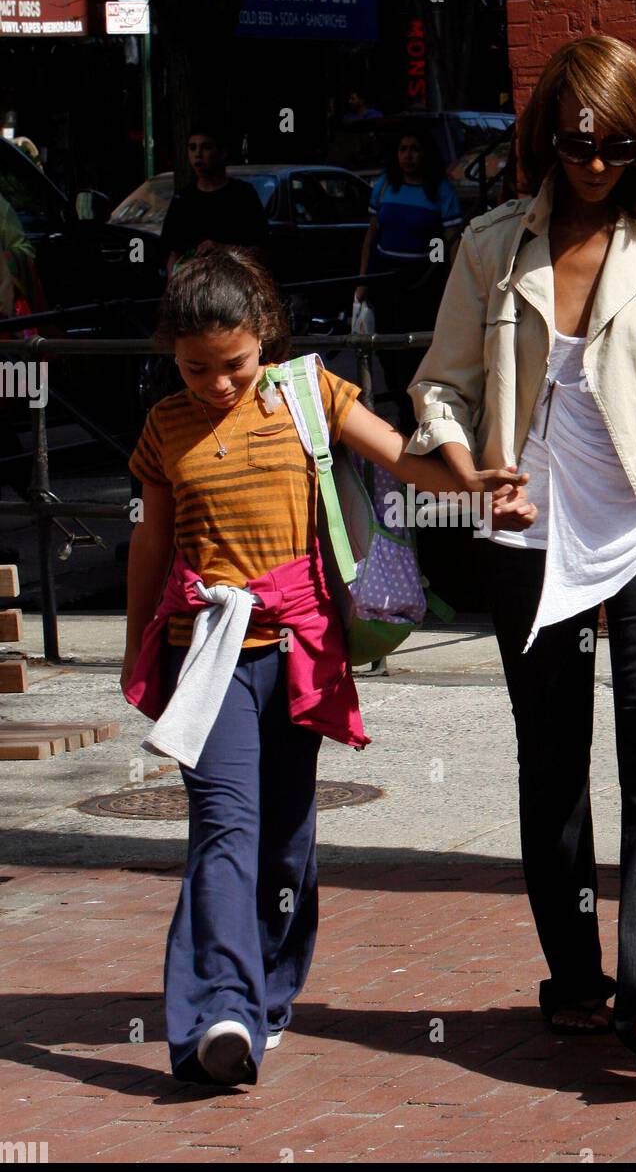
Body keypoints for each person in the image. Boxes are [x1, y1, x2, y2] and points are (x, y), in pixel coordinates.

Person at [403, 35, 636, 1076]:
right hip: (535, 533)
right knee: (553, 767)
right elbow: (439, 387)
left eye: (616, 142)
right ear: (546, 139)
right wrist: (470, 465)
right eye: (576, 143)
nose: (596, 162)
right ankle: (574, 975)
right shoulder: (490, 248)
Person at [120, 245, 534, 1087]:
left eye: (232, 364)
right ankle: (217, 1013)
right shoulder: (165, 427)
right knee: (225, 830)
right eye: (195, 368)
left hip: (303, 651)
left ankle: (268, 994)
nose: (216, 384)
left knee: (285, 838)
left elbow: (400, 460)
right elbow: (150, 544)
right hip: (208, 655)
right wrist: (138, 651)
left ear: (263, 336)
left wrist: (473, 488)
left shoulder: (310, 392)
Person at [355, 125, 463, 431]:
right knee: (387, 351)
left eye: (415, 149)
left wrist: (453, 284)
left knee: (417, 351)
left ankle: (417, 416)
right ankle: (401, 410)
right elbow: (372, 234)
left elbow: (451, 240)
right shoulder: (386, 186)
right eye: (403, 149)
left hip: (423, 284)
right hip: (386, 282)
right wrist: (363, 282)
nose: (408, 156)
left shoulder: (440, 191)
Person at [159, 122, 270, 278]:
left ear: (223, 153)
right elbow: (173, 254)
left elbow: (261, 253)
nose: (198, 154)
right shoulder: (182, 200)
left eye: (206, 147)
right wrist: (175, 283)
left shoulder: (243, 195)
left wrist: (223, 250)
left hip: (236, 289)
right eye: (192, 148)